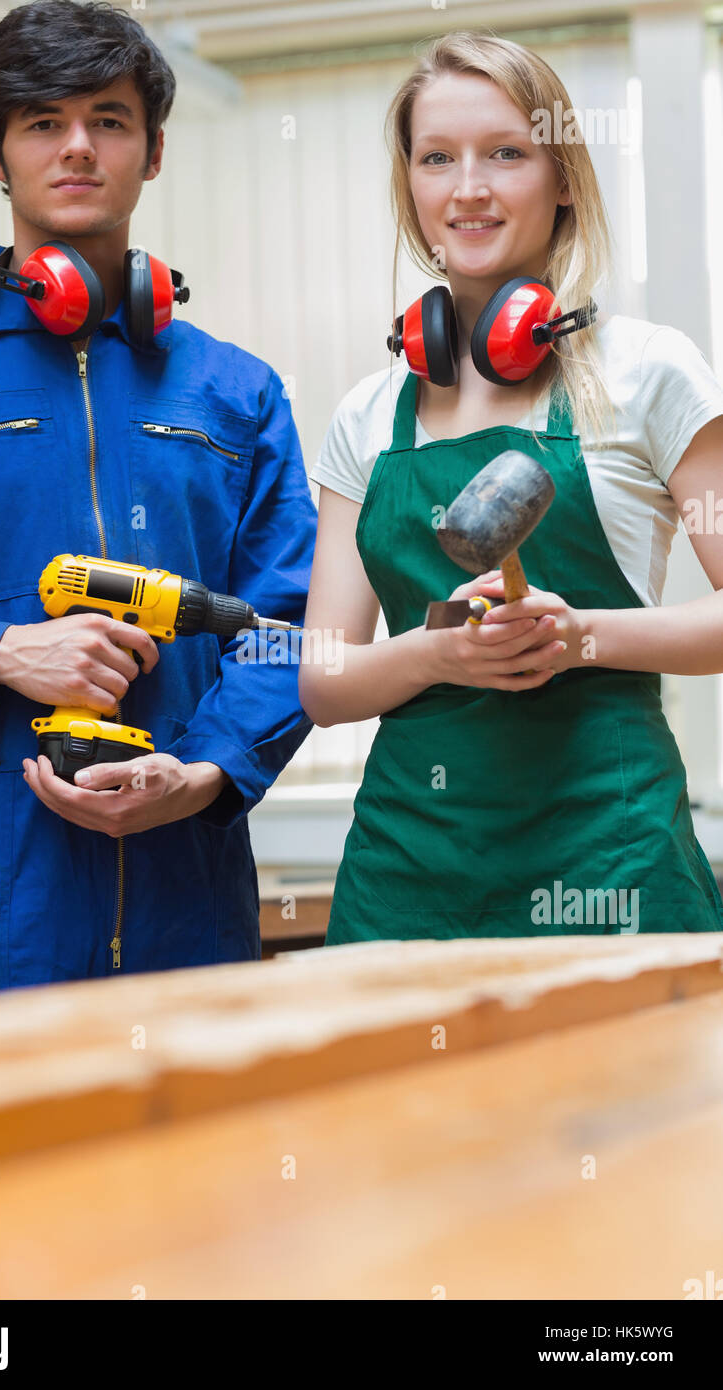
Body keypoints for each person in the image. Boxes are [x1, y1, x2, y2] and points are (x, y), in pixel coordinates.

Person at [0, 0, 316, 1000]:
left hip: (189, 898)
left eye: (108, 120)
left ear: (152, 152)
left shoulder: (235, 393)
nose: (77, 147)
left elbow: (286, 621)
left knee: (196, 1158)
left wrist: (208, 773)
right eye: (40, 121)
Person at [301, 30, 723, 942]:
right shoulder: (367, 415)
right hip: (409, 879)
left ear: (562, 175)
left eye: (507, 153)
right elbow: (326, 680)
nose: (470, 188)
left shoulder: (649, 372)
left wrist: (580, 637)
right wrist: (440, 654)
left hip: (609, 864)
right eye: (437, 159)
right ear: (410, 187)